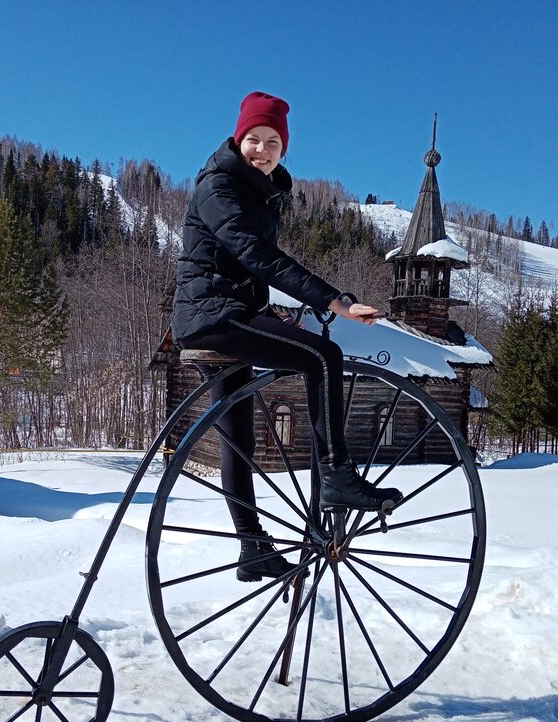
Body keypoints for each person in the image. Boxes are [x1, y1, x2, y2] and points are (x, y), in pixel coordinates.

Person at [172, 91, 402, 582]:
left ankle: (253, 548)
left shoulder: (260, 189)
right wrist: (334, 301)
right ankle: (337, 473)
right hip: (213, 314)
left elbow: (243, 266)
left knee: (238, 439)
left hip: (227, 311)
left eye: (273, 142)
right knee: (322, 356)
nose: (262, 149)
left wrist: (274, 312)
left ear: (284, 149)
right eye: (254, 139)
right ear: (238, 140)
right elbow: (257, 257)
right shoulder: (219, 185)